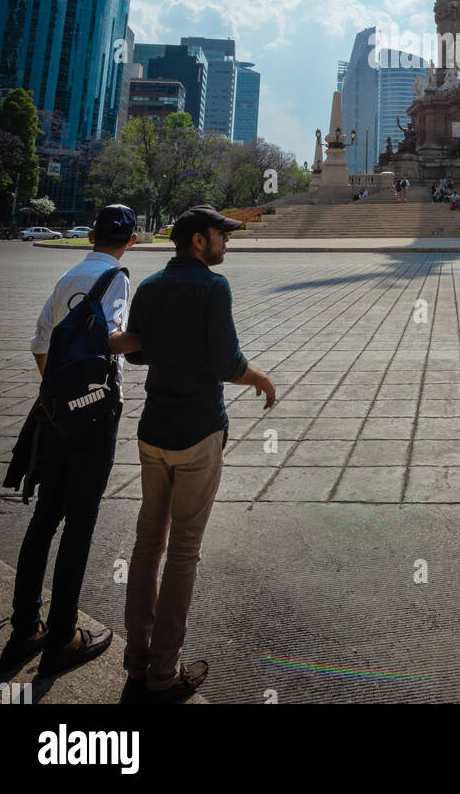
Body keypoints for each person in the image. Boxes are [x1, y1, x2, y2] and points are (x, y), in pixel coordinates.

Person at [121, 206, 276, 702]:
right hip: (199, 433)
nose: (225, 243)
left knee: (149, 543)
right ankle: (166, 672)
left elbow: (138, 352)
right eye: (219, 236)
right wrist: (261, 378)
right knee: (184, 550)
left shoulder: (147, 287)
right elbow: (227, 362)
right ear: (196, 242)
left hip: (152, 433)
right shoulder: (213, 288)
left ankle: (136, 661)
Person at [0, 205, 140, 676]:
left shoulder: (68, 276)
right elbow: (111, 339)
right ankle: (64, 636)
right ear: (133, 241)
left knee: (45, 519)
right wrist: (150, 337)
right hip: (96, 417)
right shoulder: (116, 278)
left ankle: (26, 626)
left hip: (56, 415)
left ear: (90, 237)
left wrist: (57, 390)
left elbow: (40, 342)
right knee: (81, 521)